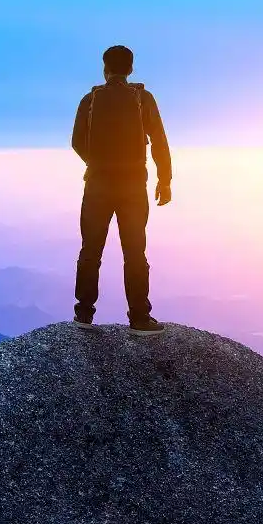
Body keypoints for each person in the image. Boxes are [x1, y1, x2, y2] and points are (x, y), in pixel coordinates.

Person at [70, 45, 172, 335]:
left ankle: (83, 315)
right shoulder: (143, 98)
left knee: (90, 250)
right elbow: (160, 141)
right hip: (133, 186)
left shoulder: (90, 99)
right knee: (135, 252)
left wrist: (99, 163)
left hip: (98, 185)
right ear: (130, 69)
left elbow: (77, 141)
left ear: (105, 68)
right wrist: (164, 180)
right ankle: (139, 317)